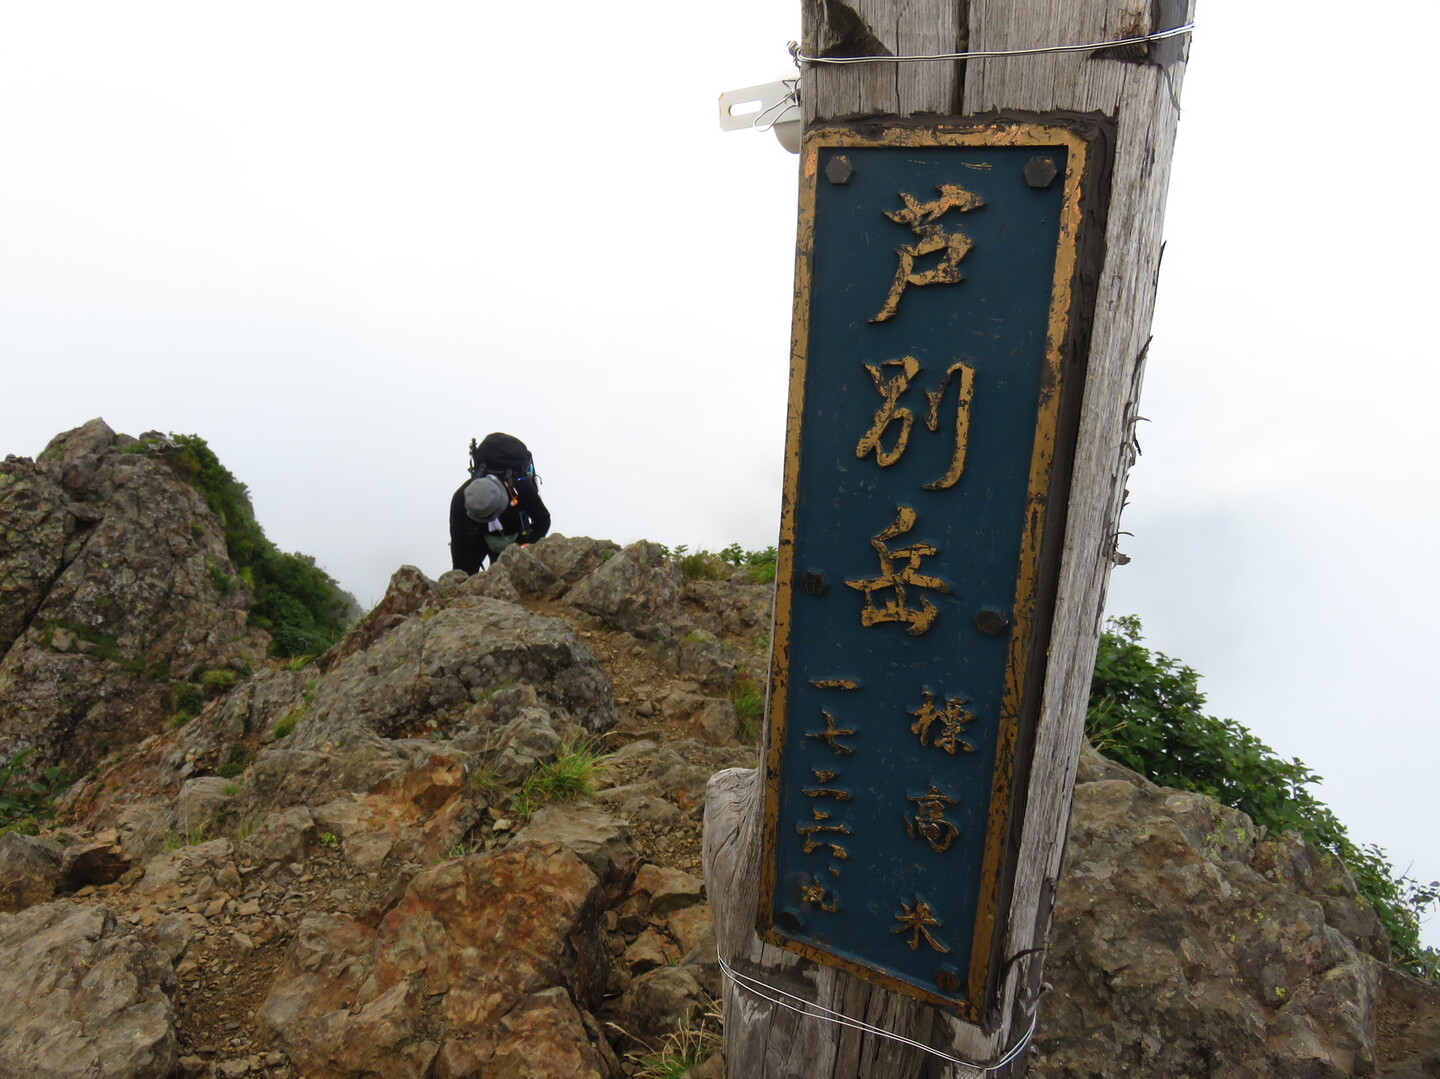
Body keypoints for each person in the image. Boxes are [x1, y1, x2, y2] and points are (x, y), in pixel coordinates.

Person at [448, 432, 551, 573]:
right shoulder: (462, 499)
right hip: (481, 538)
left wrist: (529, 545)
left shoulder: (521, 488)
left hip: (518, 537)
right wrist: (463, 583)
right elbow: (459, 545)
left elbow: (543, 519)